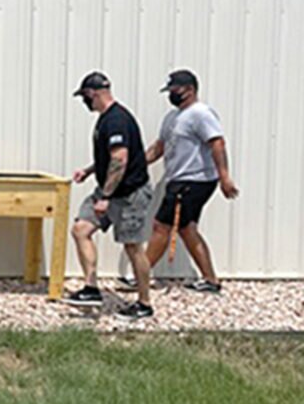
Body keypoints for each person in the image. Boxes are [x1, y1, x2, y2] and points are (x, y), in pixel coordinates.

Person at [64, 72, 155, 320]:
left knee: (133, 247)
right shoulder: (105, 119)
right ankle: (91, 288)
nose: (85, 102)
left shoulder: (117, 120)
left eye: (85, 96)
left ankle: (144, 303)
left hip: (129, 194)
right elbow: (109, 157)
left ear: (94, 93)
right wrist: (90, 170)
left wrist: (105, 196)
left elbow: (120, 159)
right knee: (81, 229)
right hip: (109, 190)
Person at [140, 69, 239, 292]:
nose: (171, 95)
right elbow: (159, 148)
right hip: (179, 179)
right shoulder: (172, 117)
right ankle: (210, 280)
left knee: (161, 226)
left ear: (190, 90)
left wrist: (224, 177)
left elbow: (217, 143)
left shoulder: (201, 114)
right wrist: (137, 165)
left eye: (175, 90)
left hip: (195, 180)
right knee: (186, 228)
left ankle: (141, 273)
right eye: (169, 90)